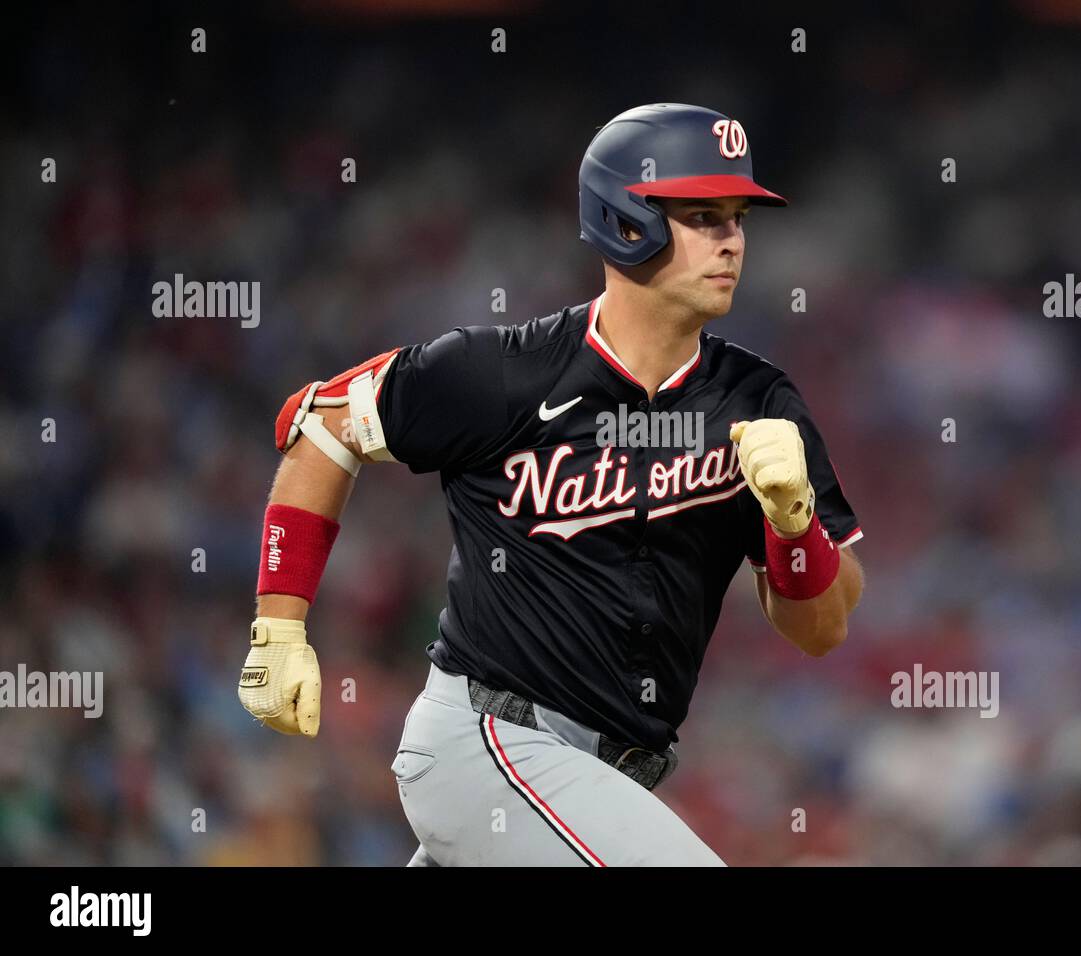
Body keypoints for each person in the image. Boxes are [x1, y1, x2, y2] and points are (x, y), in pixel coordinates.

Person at [238, 103, 864, 866]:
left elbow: (822, 628)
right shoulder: (504, 372)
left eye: (737, 217)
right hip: (490, 744)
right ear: (628, 221)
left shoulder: (758, 401)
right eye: (704, 215)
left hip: (604, 781)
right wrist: (280, 623)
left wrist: (795, 526)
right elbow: (321, 426)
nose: (732, 239)